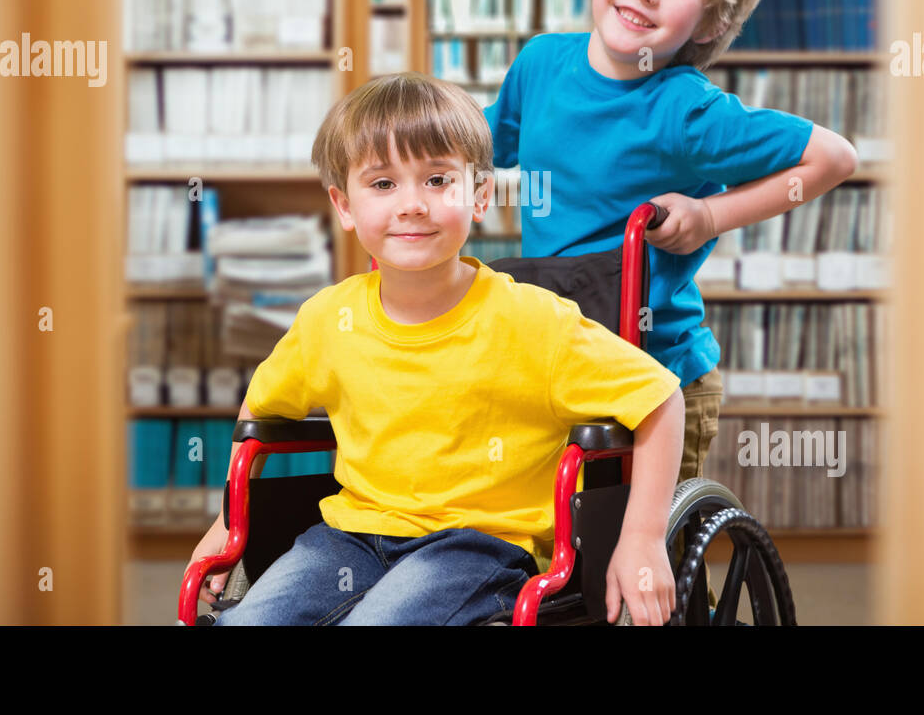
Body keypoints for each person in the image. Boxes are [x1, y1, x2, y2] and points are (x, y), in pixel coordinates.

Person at [187, 72, 685, 625]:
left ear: (479, 196)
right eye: (382, 185)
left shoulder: (534, 321)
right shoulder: (329, 319)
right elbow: (261, 408)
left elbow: (660, 398)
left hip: (477, 546)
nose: (412, 205)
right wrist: (225, 526)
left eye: (437, 180)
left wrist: (642, 538)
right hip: (350, 537)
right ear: (343, 205)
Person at [485, 0, 858, 485]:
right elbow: (482, 144)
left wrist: (710, 217)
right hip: (561, 356)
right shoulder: (540, 63)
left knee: (646, 553)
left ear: (710, 24)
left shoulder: (687, 110)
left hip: (658, 375)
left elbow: (833, 158)